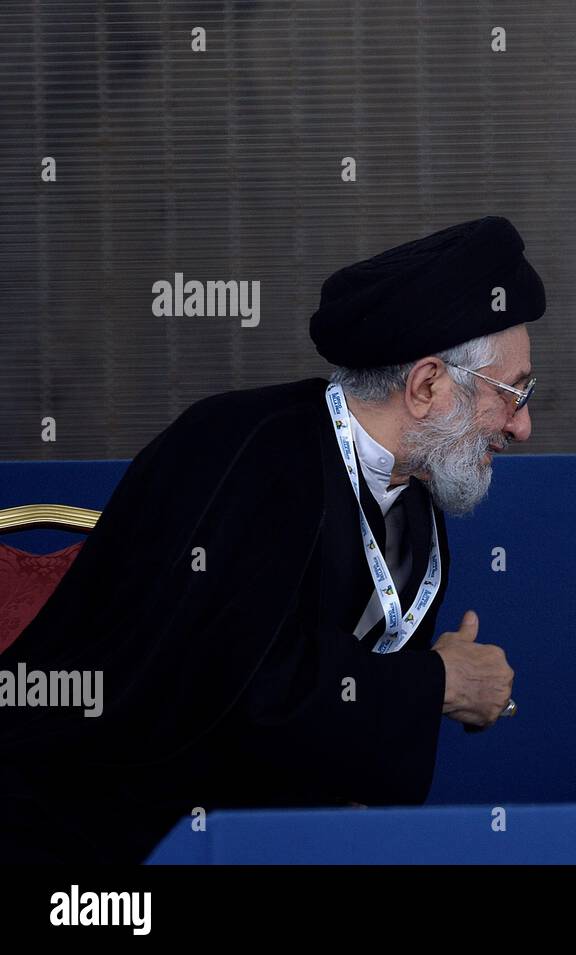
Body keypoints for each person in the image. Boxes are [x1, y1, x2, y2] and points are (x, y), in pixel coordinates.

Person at [0, 216, 540, 861]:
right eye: (514, 393)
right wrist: (434, 683)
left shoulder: (415, 498)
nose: (523, 425)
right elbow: (225, 688)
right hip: (86, 846)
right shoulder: (246, 452)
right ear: (426, 385)